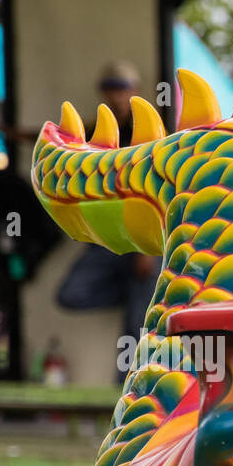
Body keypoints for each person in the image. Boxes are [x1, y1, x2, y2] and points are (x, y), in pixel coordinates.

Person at [54, 61, 161, 373]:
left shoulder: (150, 130)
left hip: (140, 240)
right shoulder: (96, 131)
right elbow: (55, 140)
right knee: (71, 294)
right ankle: (134, 297)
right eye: (110, 88)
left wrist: (146, 250)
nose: (116, 95)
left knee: (135, 336)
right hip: (109, 239)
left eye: (121, 87)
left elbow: (152, 190)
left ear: (134, 90)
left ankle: (124, 402)